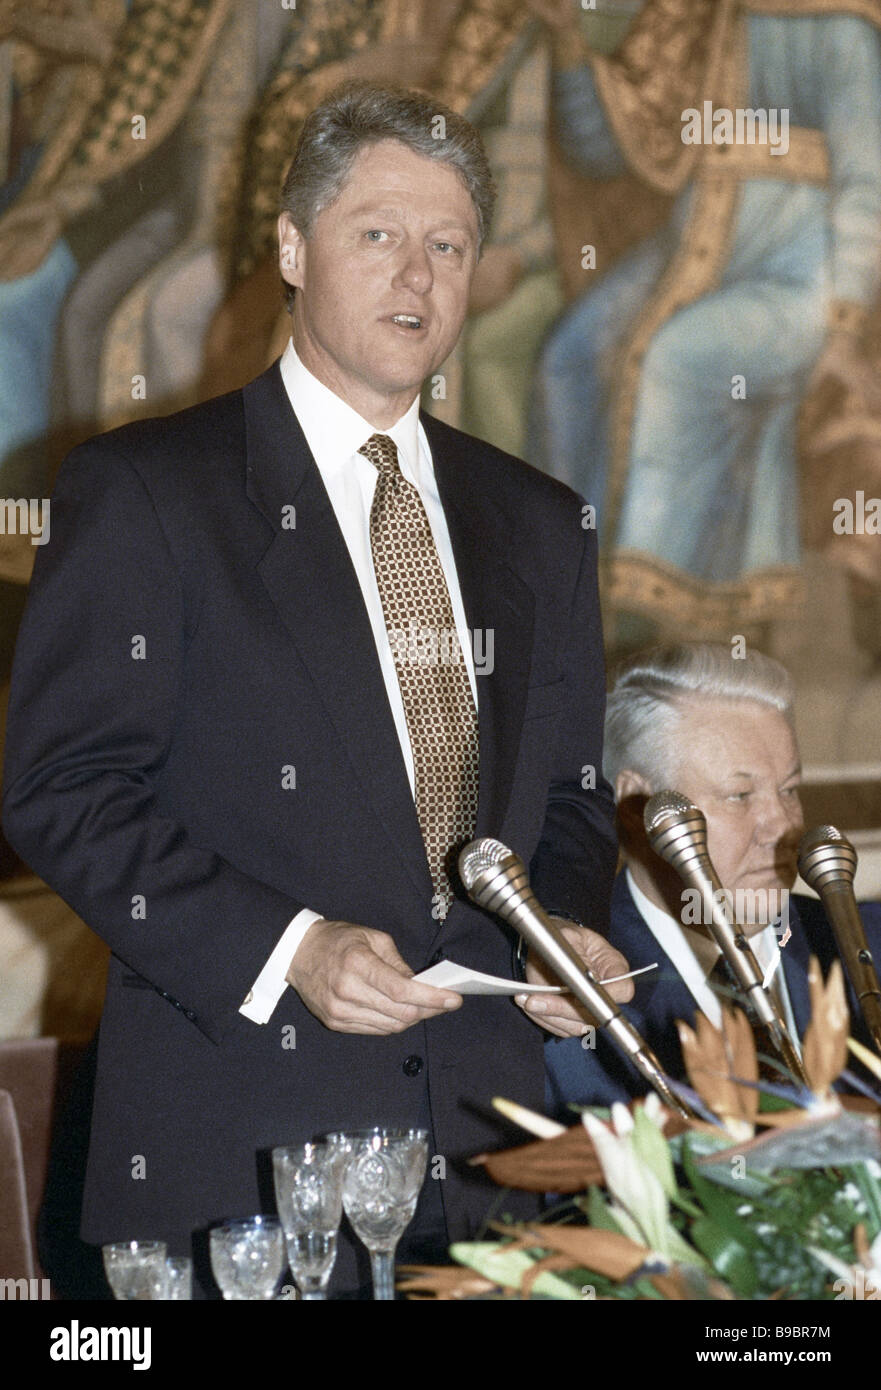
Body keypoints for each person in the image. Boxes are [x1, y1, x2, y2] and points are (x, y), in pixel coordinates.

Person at [2, 81, 626, 1298]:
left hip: (493, 1164)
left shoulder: (539, 523)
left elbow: (567, 796)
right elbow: (61, 787)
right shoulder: (149, 493)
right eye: (378, 234)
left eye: (448, 245)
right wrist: (289, 948)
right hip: (235, 1162)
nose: (417, 276)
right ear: (292, 248)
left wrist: (554, 936)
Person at [526, 0, 881, 643]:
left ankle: (652, 621)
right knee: (571, 357)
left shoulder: (841, 25)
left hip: (805, 282)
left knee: (677, 359)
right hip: (689, 256)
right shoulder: (689, 17)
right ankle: (572, 601)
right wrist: (571, 45)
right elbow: (606, 148)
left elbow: (869, 185)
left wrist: (844, 324)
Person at [545, 642, 881, 1116]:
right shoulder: (562, 988)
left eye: (789, 789)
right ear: (637, 807)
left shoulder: (862, 950)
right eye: (739, 795)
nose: (781, 828)